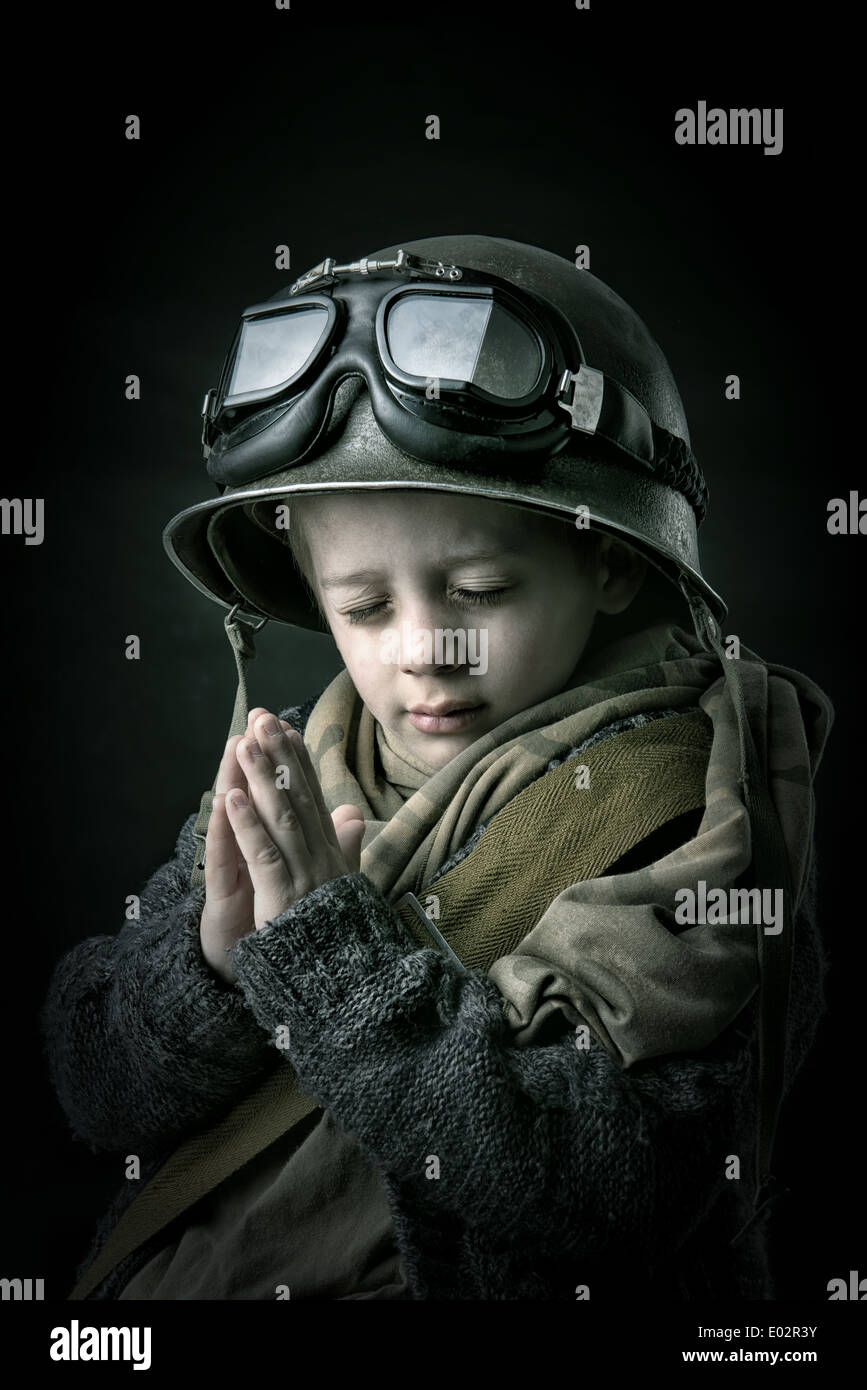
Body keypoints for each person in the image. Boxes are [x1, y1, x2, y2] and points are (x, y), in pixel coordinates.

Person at [41, 235, 833, 1301]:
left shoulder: (685, 811)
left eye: (477, 590)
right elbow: (95, 1089)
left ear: (606, 559)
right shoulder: (301, 767)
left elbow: (603, 1187)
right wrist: (213, 968)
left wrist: (330, 966)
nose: (423, 649)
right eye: (364, 606)